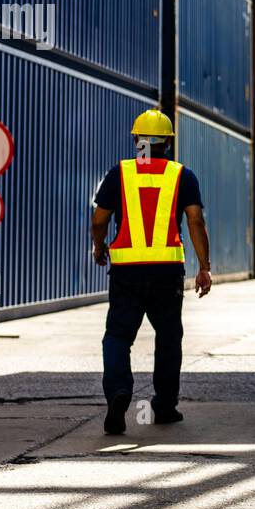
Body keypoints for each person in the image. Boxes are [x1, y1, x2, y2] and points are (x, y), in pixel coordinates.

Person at [91, 109, 212, 435]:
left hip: (127, 272)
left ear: (136, 140)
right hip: (166, 272)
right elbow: (195, 220)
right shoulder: (181, 175)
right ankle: (164, 406)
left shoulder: (120, 173)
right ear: (168, 142)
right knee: (169, 337)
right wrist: (204, 267)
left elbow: (100, 219)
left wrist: (99, 247)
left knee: (117, 336)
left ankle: (118, 393)